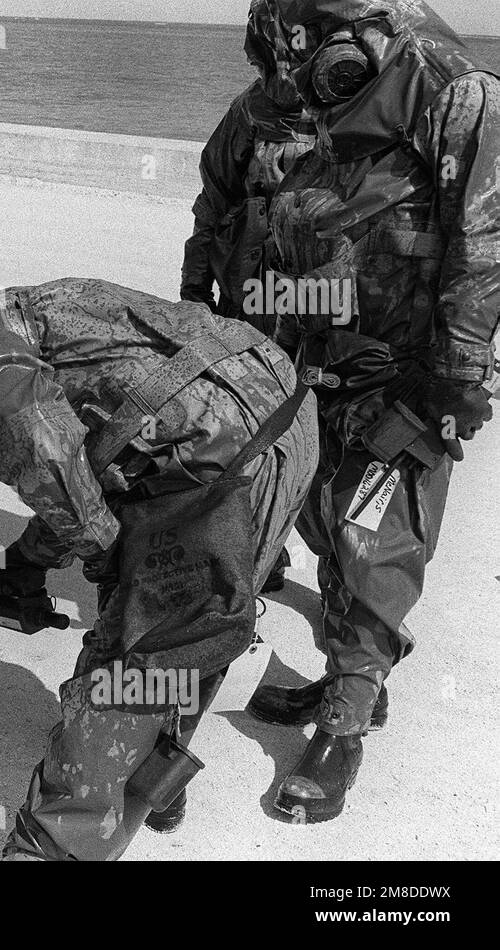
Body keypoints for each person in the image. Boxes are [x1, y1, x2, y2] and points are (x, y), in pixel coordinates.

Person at [0, 278, 318, 860]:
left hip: (213, 460)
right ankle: (151, 783)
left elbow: (63, 483)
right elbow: (100, 470)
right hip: (281, 421)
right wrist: (23, 564)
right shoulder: (43, 320)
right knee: (197, 636)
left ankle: (57, 844)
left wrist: (116, 579)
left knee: (128, 663)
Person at [248, 0, 499, 823]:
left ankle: (345, 726)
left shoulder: (454, 92)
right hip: (326, 365)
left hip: (408, 377)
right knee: (323, 518)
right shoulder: (339, 102)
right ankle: (349, 674)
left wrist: (455, 378)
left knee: (373, 539)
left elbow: (485, 237)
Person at [182, 0, 318, 596]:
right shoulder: (246, 115)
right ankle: (262, 548)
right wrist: (192, 293)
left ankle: (340, 573)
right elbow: (210, 205)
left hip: (320, 307)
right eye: (272, 63)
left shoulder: (350, 116)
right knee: (251, 430)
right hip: (251, 304)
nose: (282, 76)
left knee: (324, 430)